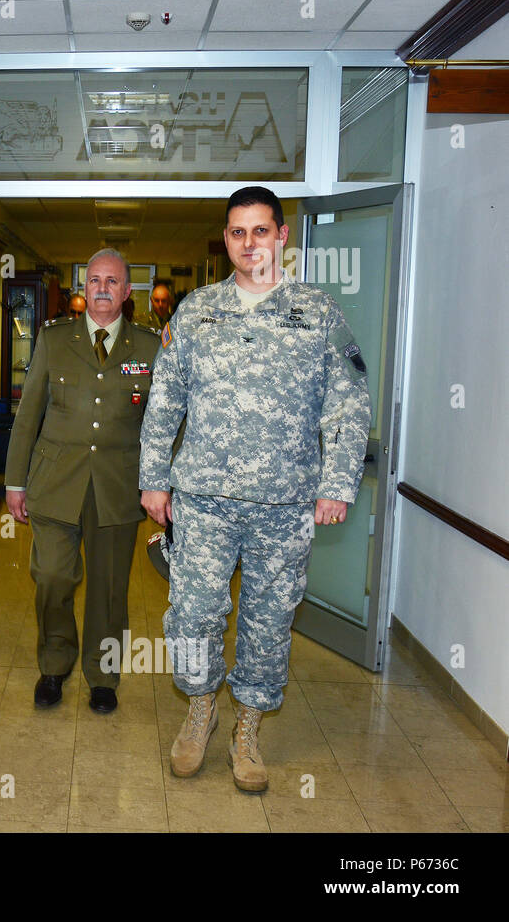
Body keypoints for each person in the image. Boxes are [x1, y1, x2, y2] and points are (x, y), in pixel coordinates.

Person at [139, 186, 371, 793]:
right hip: (202, 501)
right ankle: (199, 710)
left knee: (268, 624)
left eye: (260, 231)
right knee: (192, 618)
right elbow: (165, 400)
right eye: (238, 233)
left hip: (286, 504)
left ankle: (247, 727)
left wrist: (337, 484)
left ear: (282, 236)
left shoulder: (318, 314)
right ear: (226, 240)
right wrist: (152, 481)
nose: (249, 244)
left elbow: (348, 403)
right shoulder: (195, 313)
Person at [5, 248, 162, 712]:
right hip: (55, 484)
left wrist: (162, 485)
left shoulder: (149, 347)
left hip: (117, 487)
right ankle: (54, 664)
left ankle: (103, 675)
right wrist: (15, 481)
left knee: (109, 590)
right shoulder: (54, 340)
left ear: (126, 291)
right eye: (94, 280)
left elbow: (161, 424)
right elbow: (28, 413)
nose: (102, 289)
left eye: (112, 281)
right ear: (83, 287)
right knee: (52, 577)